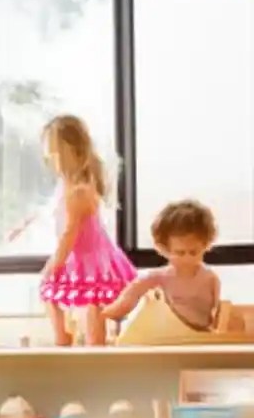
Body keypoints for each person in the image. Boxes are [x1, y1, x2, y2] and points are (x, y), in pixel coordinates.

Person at [34, 115, 136, 345]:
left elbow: (70, 233)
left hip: (87, 256)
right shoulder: (69, 186)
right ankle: (76, 337)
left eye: (53, 153)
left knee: (63, 292)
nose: (49, 159)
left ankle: (74, 339)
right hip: (88, 253)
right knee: (90, 301)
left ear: (68, 153)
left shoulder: (78, 191)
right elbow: (54, 214)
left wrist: (55, 263)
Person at [103, 201, 220, 330]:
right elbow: (130, 296)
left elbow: (216, 314)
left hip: (200, 338)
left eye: (194, 252)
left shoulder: (210, 278)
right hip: (166, 337)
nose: (187, 258)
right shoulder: (158, 277)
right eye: (180, 253)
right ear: (164, 249)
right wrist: (107, 313)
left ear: (206, 245)